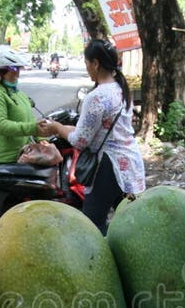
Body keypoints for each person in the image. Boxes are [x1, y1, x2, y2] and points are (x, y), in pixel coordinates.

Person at [41, 39, 144, 234]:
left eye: (87, 63)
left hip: (109, 166)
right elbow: (98, 129)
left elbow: (80, 140)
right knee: (131, 221)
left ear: (95, 63)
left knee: (92, 225)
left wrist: (57, 128)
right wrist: (66, 128)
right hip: (130, 164)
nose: (87, 67)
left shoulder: (97, 96)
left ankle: (102, 252)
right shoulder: (121, 89)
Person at [0, 44, 54, 165]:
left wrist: (41, 138)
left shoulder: (19, 94)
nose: (17, 73)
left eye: (18, 68)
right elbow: (0, 125)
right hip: (5, 160)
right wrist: (33, 128)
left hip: (24, 154)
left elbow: (30, 120)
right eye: (13, 69)